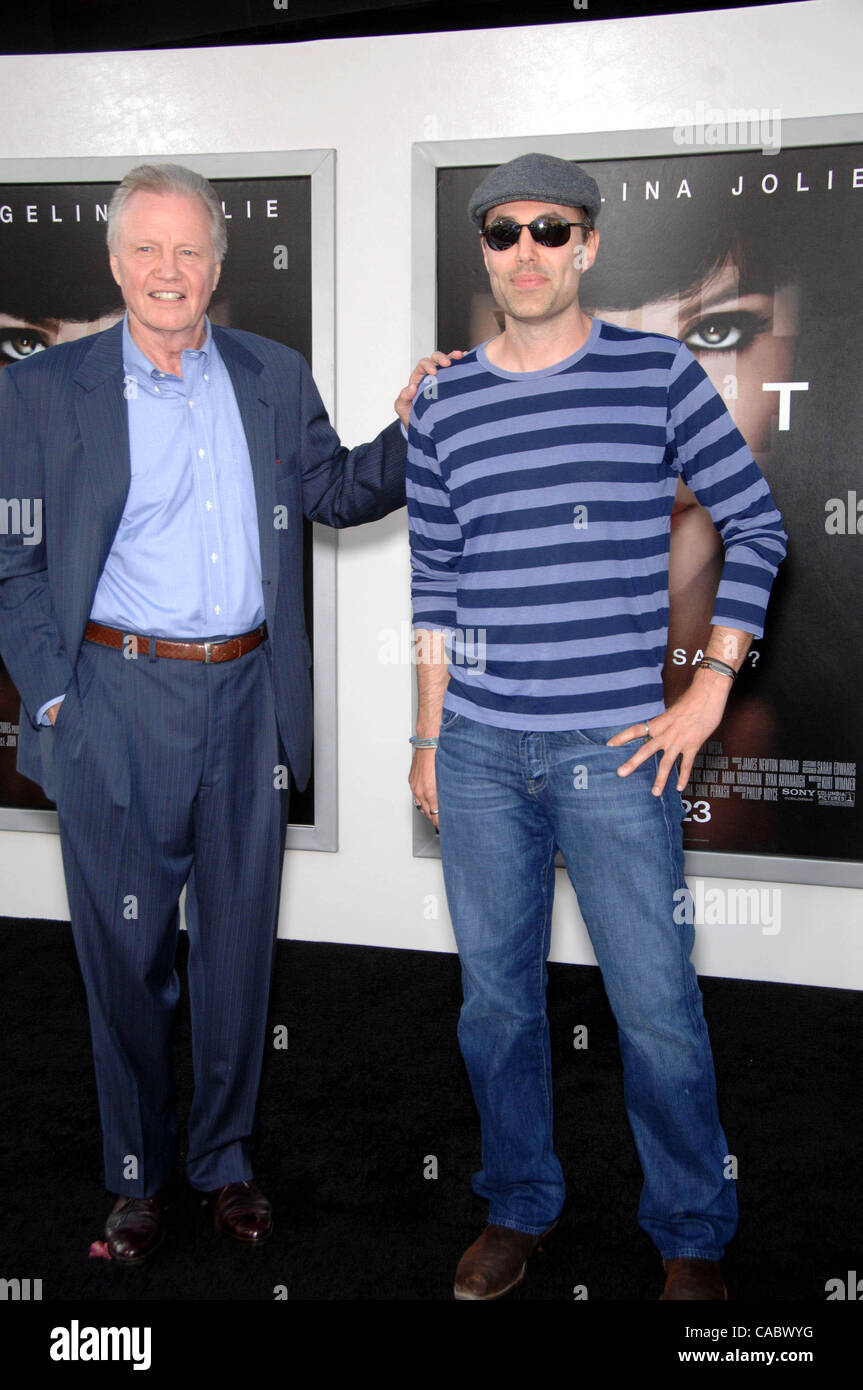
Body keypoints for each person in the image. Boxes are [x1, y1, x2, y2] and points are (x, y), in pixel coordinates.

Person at [0, 161, 455, 1264]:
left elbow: (336, 493)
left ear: (218, 265)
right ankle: (133, 1176)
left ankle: (225, 1161)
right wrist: (58, 705)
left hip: (248, 697)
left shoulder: (268, 373)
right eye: (146, 250)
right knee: (124, 955)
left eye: (189, 251)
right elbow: (13, 561)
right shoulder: (41, 388)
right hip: (116, 698)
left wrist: (416, 423)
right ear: (116, 264)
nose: (169, 271)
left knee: (238, 952)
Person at [407, 153, 787, 1300]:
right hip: (475, 751)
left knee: (656, 1006)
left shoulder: (659, 376)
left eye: (550, 228)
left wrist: (708, 689)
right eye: (504, 231)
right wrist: (428, 737)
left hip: (618, 751)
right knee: (494, 1006)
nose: (527, 249)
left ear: (587, 245)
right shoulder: (443, 400)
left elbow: (756, 530)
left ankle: (688, 1232)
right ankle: (517, 1203)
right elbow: (435, 588)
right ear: (483, 250)